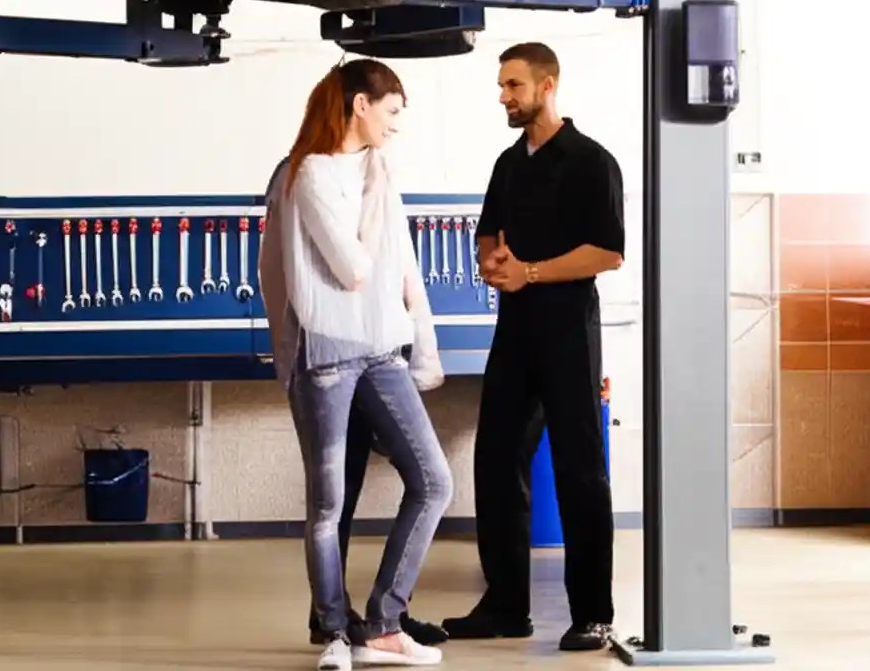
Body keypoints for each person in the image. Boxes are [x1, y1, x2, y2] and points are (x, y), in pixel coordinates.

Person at [260, 58, 453, 671]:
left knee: (434, 482)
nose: (397, 124)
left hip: (382, 349)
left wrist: (424, 347)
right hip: (326, 356)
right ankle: (336, 635)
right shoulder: (307, 174)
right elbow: (352, 268)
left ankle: (385, 623)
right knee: (327, 505)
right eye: (391, 110)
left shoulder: (380, 172)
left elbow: (404, 268)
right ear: (358, 106)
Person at [440, 42, 624, 652]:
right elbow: (488, 229)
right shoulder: (508, 162)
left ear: (548, 86)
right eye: (502, 85)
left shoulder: (593, 162)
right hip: (515, 329)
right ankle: (505, 605)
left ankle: (594, 612)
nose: (504, 97)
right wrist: (491, 259)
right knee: (495, 460)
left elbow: (608, 252)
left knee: (579, 470)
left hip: (569, 329)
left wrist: (533, 273)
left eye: (514, 85)